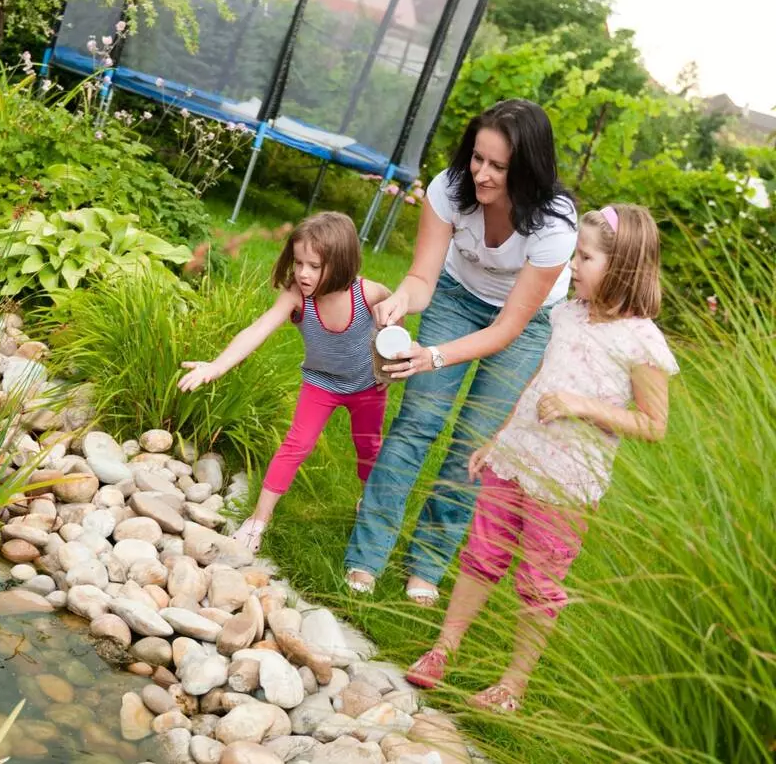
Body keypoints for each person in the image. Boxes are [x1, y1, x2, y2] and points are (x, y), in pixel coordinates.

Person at [402, 203, 678, 713]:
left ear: (623, 267)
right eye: (576, 255)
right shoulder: (566, 314)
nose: (574, 266)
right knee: (481, 556)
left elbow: (654, 425)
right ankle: (443, 648)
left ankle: (513, 684)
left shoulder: (642, 343)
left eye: (587, 258)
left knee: (538, 582)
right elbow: (538, 381)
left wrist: (584, 406)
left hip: (566, 483)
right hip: (518, 457)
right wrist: (499, 438)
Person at [345, 99, 579, 603]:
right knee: (417, 423)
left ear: (529, 170)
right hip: (454, 295)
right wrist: (401, 303)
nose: (482, 174)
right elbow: (424, 278)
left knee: (472, 445)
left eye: (499, 166)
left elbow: (507, 328)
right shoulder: (450, 190)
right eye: (478, 158)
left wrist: (433, 356)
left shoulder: (555, 225)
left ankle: (427, 564)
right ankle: (366, 557)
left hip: (524, 322)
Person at [179, 211, 391, 552]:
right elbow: (258, 329)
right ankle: (258, 522)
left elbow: (396, 318)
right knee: (296, 445)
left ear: (341, 263)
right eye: (298, 263)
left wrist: (387, 366)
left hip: (366, 386)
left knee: (368, 448)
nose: (303, 273)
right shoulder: (297, 296)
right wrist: (216, 366)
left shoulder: (368, 293)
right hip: (321, 384)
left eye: (314, 266)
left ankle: (369, 503)